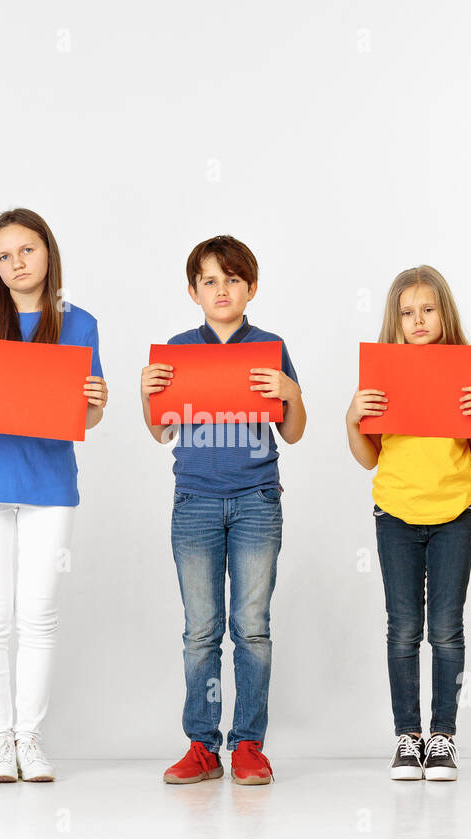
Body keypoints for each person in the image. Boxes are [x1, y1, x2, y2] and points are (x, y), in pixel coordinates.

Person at [0, 208, 107, 783]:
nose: (16, 263)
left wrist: (96, 398)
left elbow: (86, 414)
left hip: (50, 481)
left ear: (48, 253)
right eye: (3, 256)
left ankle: (29, 739)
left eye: (26, 250)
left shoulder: (79, 322)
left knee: (38, 613)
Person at [141, 235, 305, 786]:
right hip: (195, 501)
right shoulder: (179, 348)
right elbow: (161, 430)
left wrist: (290, 392)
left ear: (251, 287)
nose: (221, 289)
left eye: (232, 279)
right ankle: (201, 745)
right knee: (200, 631)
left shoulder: (271, 347)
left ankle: (250, 745)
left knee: (252, 628)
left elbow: (295, 431)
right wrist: (148, 394)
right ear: (193, 291)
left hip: (257, 499)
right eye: (209, 280)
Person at [345, 266, 471, 781]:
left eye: (428, 310)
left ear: (444, 313)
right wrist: (353, 419)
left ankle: (443, 737)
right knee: (403, 628)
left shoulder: (463, 374)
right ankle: (407, 738)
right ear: (396, 318)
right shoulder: (384, 376)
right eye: (407, 312)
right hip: (396, 514)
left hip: (455, 513)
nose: (418, 320)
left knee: (446, 630)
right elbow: (368, 458)